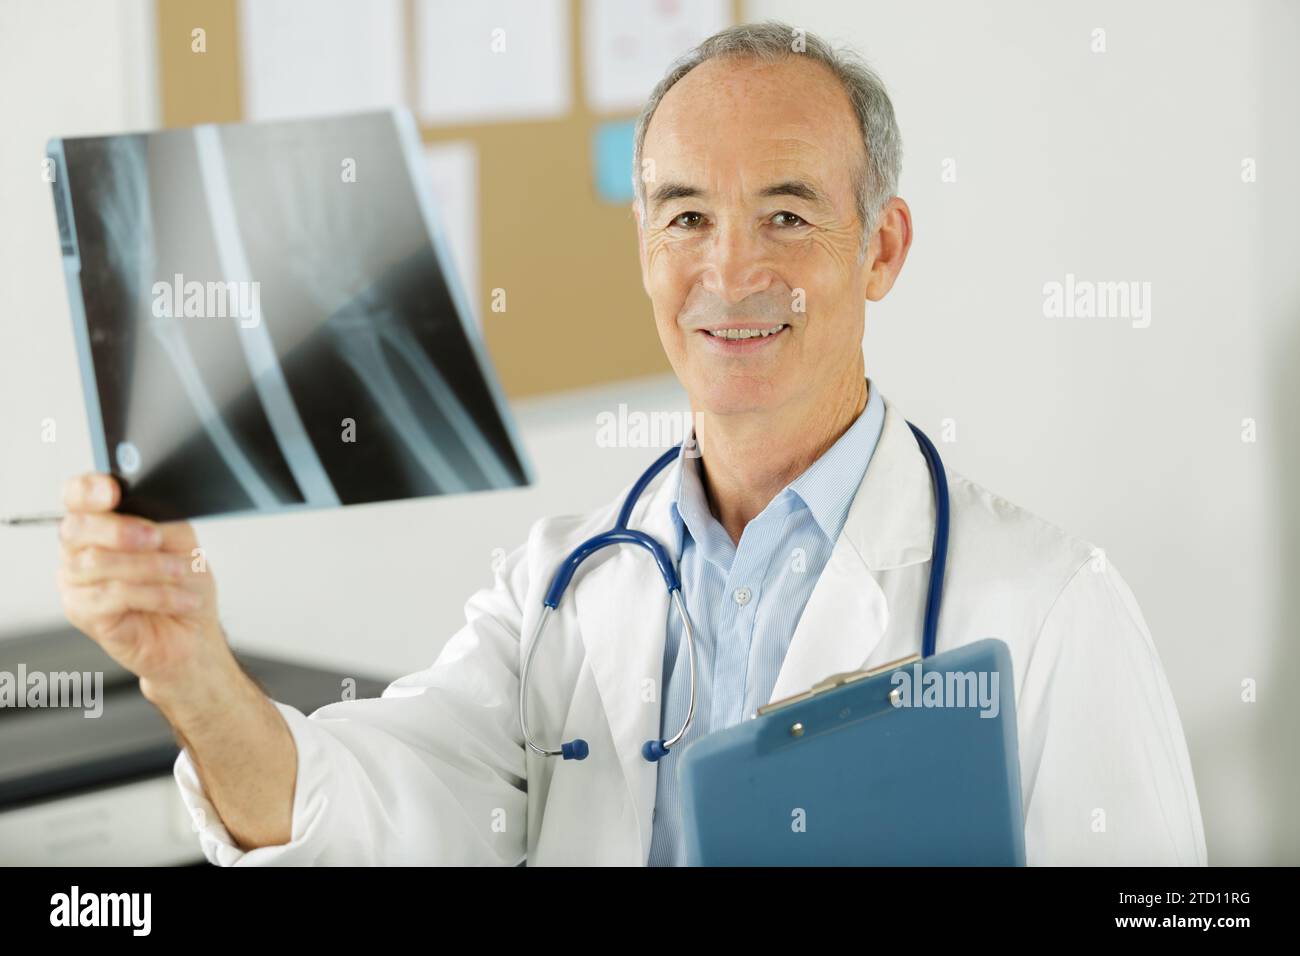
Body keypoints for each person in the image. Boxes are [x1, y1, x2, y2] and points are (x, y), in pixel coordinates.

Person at [55, 21, 1206, 866]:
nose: (730, 271)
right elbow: (355, 809)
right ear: (644, 245)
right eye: (687, 215)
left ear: (883, 248)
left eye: (790, 215)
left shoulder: (1050, 607)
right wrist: (191, 675)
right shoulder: (559, 587)